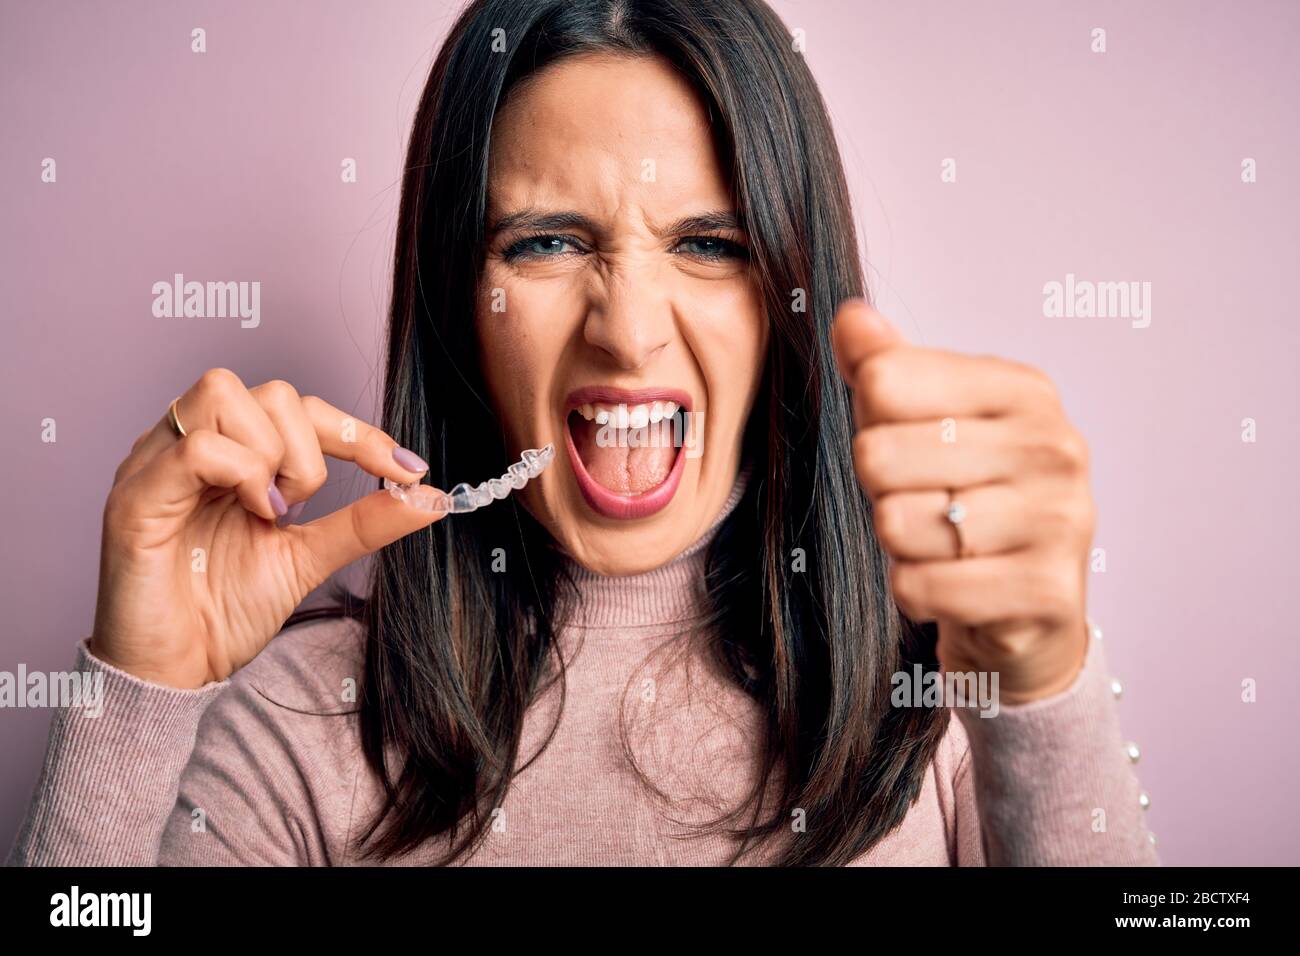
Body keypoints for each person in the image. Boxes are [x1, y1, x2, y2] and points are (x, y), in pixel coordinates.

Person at [7, 0, 1156, 866]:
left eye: (710, 242)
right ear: (462, 302)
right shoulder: (297, 721)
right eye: (548, 242)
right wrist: (135, 688)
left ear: (789, 299)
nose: (629, 333)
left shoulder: (945, 697)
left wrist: (1045, 688)